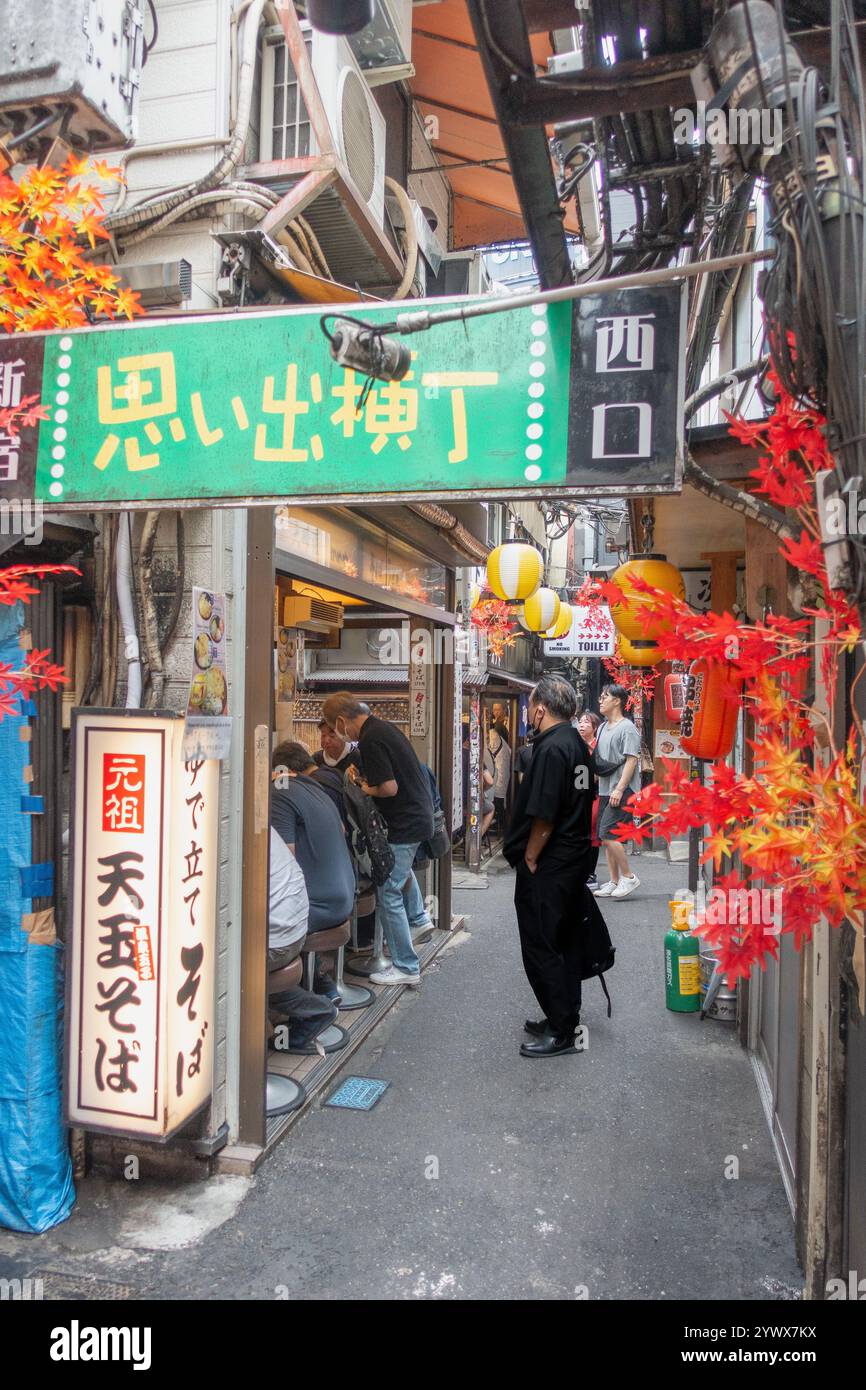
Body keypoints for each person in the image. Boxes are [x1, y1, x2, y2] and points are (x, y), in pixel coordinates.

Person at [504, 674, 594, 1058]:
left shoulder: (552, 748)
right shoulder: (575, 743)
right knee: (564, 941)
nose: (528, 712)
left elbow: (545, 813)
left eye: (530, 706)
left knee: (542, 943)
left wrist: (529, 855)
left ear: (540, 709)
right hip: (573, 858)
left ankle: (561, 1031)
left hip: (551, 861)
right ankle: (563, 1017)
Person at [322, 692, 434, 988]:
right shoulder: (382, 728)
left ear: (343, 722)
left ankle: (406, 966)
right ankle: (420, 919)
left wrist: (362, 786)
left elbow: (388, 788)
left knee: (388, 890)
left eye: (334, 729)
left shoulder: (371, 738)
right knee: (395, 870)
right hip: (416, 818)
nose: (337, 735)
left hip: (406, 822)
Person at [271, 741, 357, 1000]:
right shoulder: (318, 789)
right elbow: (342, 831)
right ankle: (322, 983)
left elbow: (285, 861)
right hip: (347, 896)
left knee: (258, 931)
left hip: (319, 909)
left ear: (278, 770)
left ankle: (306, 1004)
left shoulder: (279, 793)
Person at [267, 828, 338, 1049]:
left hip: (281, 938)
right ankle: (321, 992)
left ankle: (315, 1008)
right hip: (298, 927)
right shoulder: (261, 824)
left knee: (226, 971)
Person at [592, 683, 642, 900]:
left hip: (622, 789)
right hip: (605, 788)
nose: (600, 700)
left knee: (610, 834)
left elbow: (632, 759)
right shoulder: (602, 727)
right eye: (601, 696)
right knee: (606, 836)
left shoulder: (628, 728)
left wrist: (620, 788)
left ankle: (629, 876)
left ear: (617, 701)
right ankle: (613, 880)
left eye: (605, 696)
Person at [577, 710, 602, 887]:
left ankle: (591, 873)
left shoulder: (599, 745)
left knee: (592, 832)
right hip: (577, 793)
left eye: (586, 722)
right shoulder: (575, 744)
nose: (582, 725)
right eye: (580, 721)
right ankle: (579, 870)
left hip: (595, 794)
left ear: (594, 727)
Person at [488, 725, 511, 833]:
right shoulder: (504, 742)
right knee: (500, 797)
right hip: (502, 770)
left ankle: (499, 823)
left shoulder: (493, 735)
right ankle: (501, 824)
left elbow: (489, 748)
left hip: (498, 770)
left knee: (497, 798)